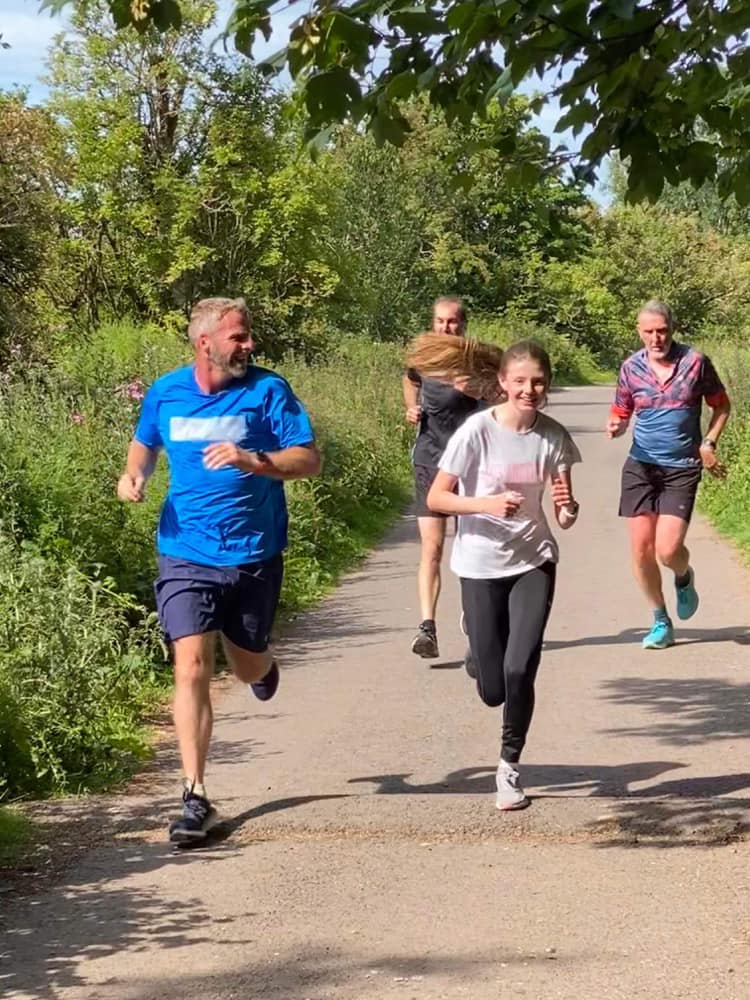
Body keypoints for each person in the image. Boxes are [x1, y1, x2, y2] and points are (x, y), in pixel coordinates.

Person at [117, 297, 320, 843]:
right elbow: (143, 448)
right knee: (189, 665)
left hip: (253, 551)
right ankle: (195, 794)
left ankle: (262, 667)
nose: (249, 345)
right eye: (238, 336)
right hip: (185, 549)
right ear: (204, 342)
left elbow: (308, 459)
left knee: (248, 664)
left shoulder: (267, 390)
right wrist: (132, 477)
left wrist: (254, 460)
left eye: (248, 335)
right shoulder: (166, 392)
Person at [425, 340, 581, 810]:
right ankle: (476, 642)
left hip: (534, 560)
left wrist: (567, 507)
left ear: (546, 385)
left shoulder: (553, 436)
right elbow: (436, 498)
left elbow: (566, 512)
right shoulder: (476, 431)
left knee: (521, 668)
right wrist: (485, 504)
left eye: (537, 382)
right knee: (492, 687)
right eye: (519, 381)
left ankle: (508, 768)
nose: (528, 389)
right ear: (503, 384)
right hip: (478, 564)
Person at [606, 300, 730, 650]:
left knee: (668, 549)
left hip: (682, 467)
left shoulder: (695, 362)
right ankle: (660, 620)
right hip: (640, 466)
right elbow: (621, 410)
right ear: (639, 331)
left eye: (662, 330)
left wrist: (708, 443)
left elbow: (721, 404)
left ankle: (683, 575)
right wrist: (616, 425)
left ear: (671, 328)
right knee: (641, 549)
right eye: (649, 331)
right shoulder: (631, 368)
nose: (656, 337)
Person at [403, 296, 483, 659]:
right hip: (429, 461)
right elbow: (409, 379)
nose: (445, 328)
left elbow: (501, 399)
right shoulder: (423, 358)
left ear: (462, 325)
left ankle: (476, 614)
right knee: (432, 548)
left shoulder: (476, 360)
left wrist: (476, 392)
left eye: (451, 322)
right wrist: (411, 406)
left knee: (471, 547)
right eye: (439, 322)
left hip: (470, 465)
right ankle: (427, 629)